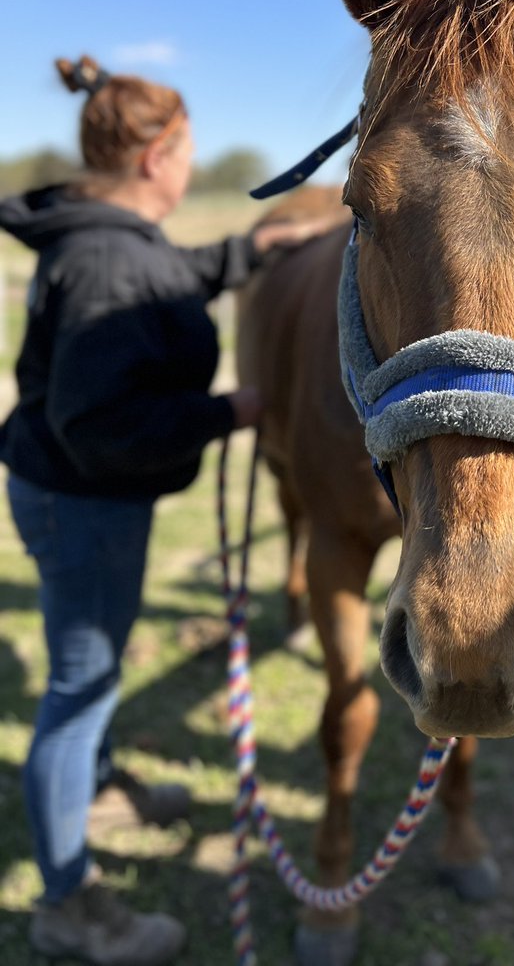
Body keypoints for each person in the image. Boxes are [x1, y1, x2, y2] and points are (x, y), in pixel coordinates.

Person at [0, 56, 300, 965]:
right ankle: (67, 906)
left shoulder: (114, 239)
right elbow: (98, 427)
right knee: (78, 689)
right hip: (84, 498)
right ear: (156, 154)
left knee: (82, 672)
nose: (190, 167)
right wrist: (228, 414)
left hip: (80, 496)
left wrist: (246, 256)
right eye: (188, 152)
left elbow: (161, 281)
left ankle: (88, 790)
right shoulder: (103, 259)